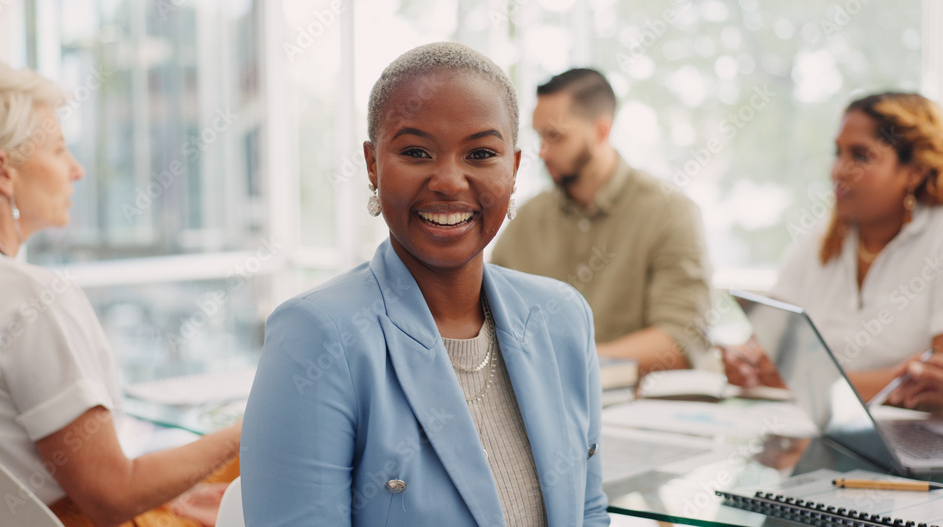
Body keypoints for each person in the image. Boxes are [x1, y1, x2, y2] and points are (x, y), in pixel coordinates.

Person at [241, 42, 608, 527]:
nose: (450, 181)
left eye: (480, 153)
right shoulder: (317, 335)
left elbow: (587, 512)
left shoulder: (562, 317)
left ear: (514, 169)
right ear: (372, 165)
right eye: (416, 152)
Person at [0, 61, 240, 527]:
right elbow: (111, 495)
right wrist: (248, 430)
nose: (77, 170)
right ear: (1, 171)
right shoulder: (30, 297)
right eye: (60, 150)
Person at [723, 92, 943, 401]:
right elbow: (766, 344)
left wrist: (803, 378)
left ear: (914, 172)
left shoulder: (937, 238)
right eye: (837, 152)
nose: (838, 170)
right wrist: (746, 362)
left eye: (860, 156)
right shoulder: (819, 239)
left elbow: (932, 382)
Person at [490, 68, 711, 374]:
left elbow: (681, 341)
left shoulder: (669, 212)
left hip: (635, 409)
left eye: (555, 136)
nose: (542, 152)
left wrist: (575, 364)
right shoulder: (527, 218)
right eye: (539, 136)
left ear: (601, 131)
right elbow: (486, 320)